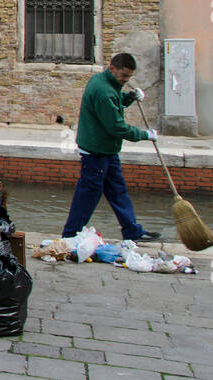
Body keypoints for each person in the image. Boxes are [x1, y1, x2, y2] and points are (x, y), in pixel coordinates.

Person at [63, 52, 161, 241]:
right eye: (124, 76)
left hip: (107, 150)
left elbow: (115, 105)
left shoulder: (107, 84)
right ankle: (70, 234)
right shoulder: (103, 91)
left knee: (118, 191)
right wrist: (144, 135)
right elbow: (116, 126)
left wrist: (130, 97)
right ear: (112, 68)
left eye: (129, 77)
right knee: (88, 195)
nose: (125, 80)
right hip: (95, 152)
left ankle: (132, 230)